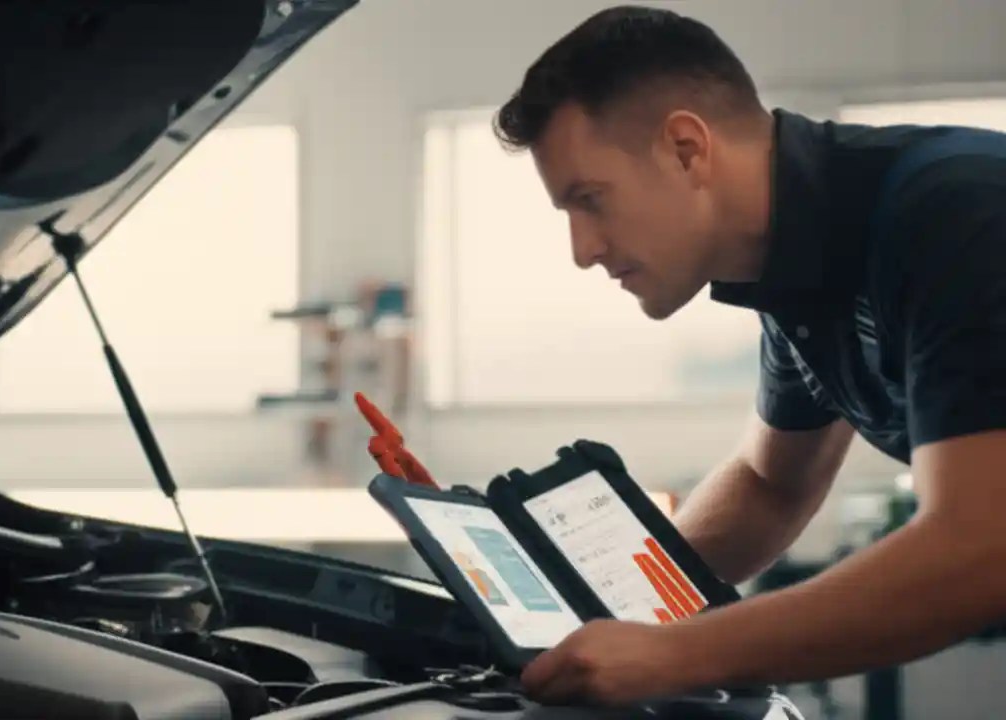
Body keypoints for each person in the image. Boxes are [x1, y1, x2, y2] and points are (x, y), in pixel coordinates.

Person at [364, 3, 1006, 708]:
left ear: (686, 148)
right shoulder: (797, 269)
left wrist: (673, 654)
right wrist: (591, 613)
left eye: (591, 199)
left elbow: (979, 545)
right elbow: (770, 484)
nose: (583, 251)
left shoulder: (959, 217)